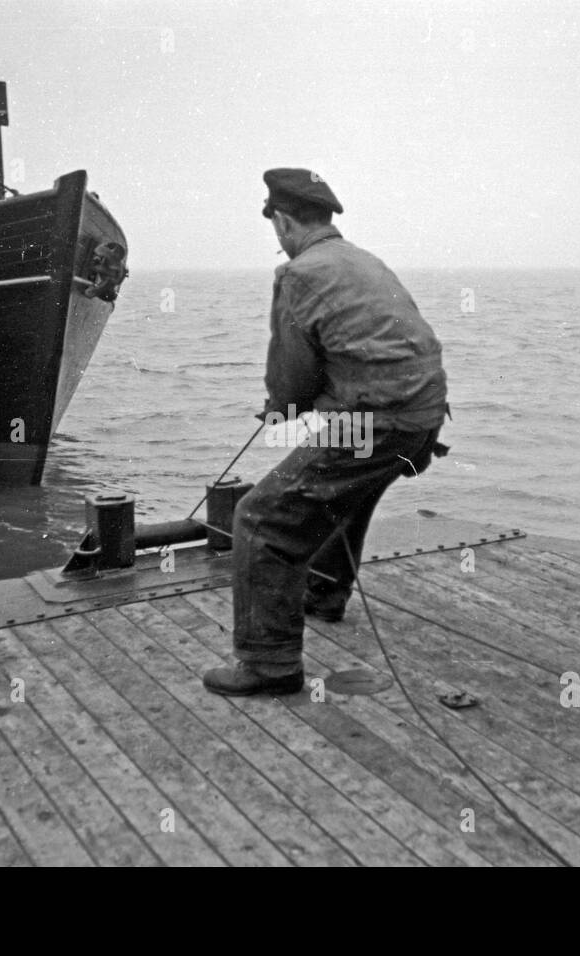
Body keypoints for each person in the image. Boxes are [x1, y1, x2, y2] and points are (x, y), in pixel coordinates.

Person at [202, 168, 449, 697]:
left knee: (261, 519)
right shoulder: (362, 258)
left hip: (378, 421)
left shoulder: (298, 273)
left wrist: (278, 409)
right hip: (424, 419)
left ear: (284, 221)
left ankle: (269, 666)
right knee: (344, 492)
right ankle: (322, 593)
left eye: (276, 228)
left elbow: (292, 376)